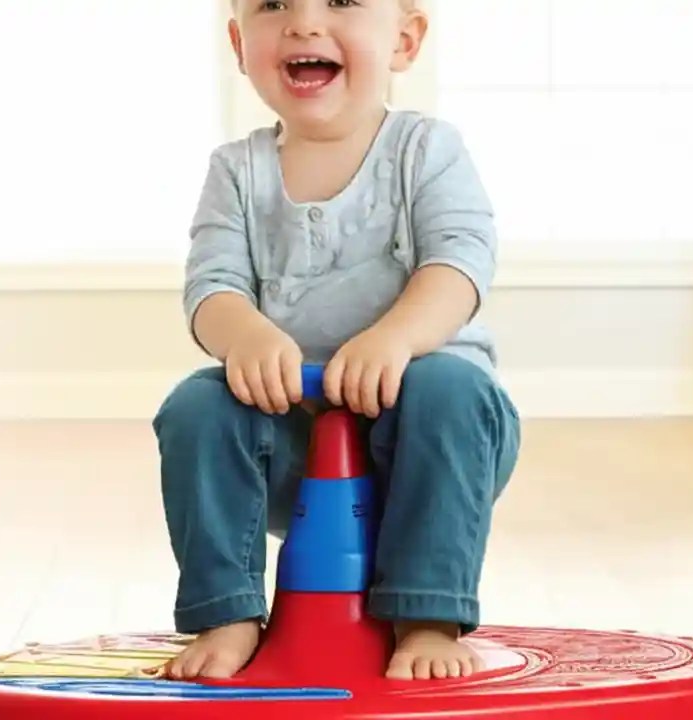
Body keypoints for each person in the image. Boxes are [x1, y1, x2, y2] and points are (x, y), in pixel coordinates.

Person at [152, 0, 520, 682]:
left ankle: (428, 616)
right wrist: (248, 336)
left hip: (436, 444)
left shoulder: (426, 150)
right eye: (272, 4)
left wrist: (396, 340)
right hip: (291, 443)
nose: (304, 22)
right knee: (195, 405)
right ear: (239, 43)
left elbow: (461, 262)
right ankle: (225, 611)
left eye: (343, 1)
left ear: (404, 40)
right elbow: (212, 287)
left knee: (450, 384)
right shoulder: (237, 171)